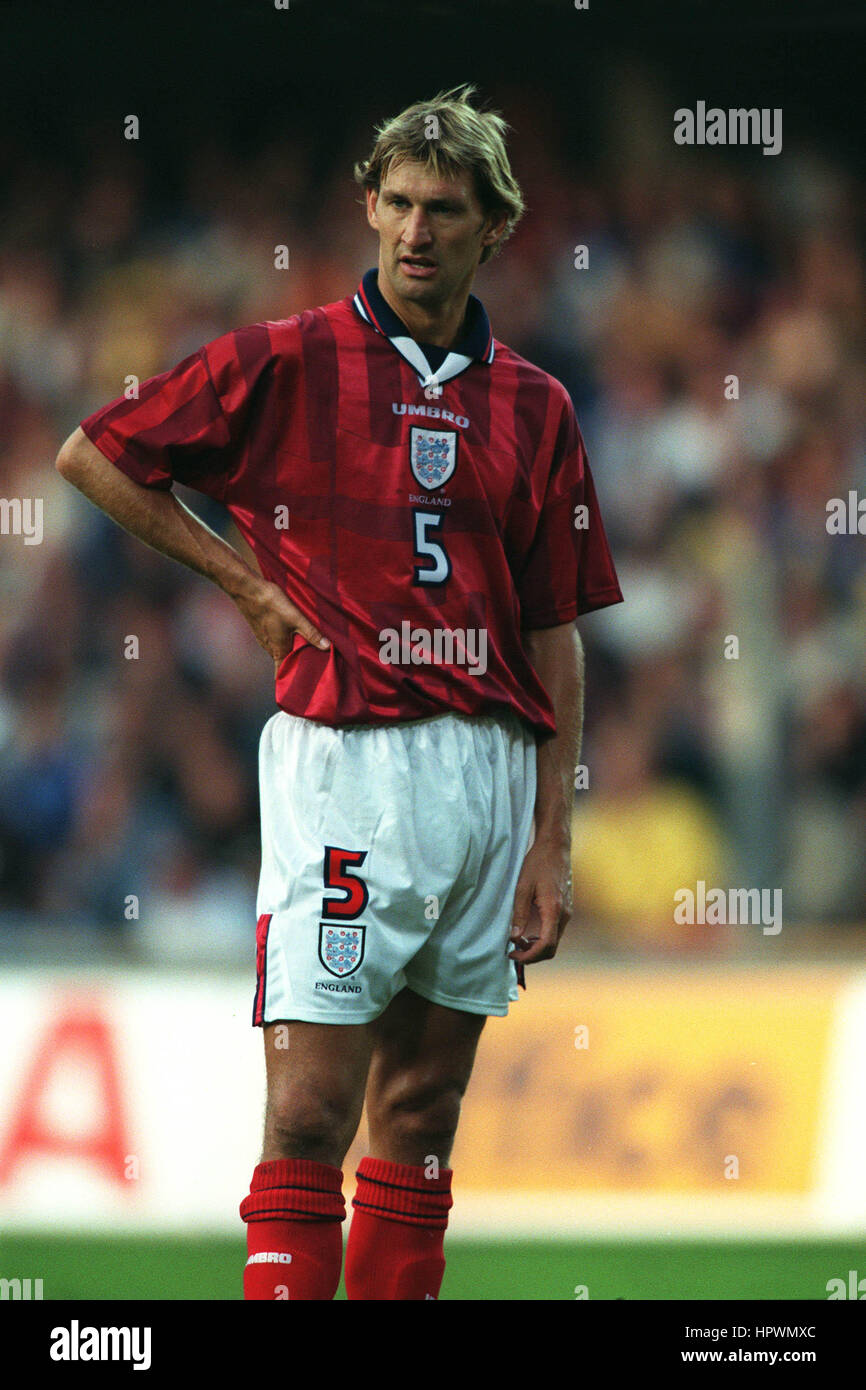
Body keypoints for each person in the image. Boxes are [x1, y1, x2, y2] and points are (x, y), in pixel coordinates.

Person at [55, 84, 623, 1300]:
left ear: (494, 227)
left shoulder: (537, 405)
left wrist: (550, 839)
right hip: (346, 762)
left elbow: (552, 628)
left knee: (419, 1118)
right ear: (368, 205)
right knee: (311, 1112)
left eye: (446, 210)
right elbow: (95, 451)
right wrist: (246, 587)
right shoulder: (286, 360)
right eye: (400, 203)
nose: (418, 230)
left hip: (483, 778)